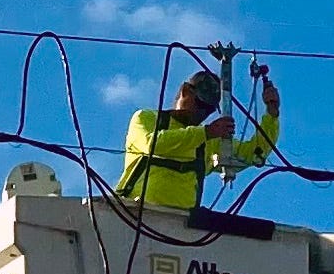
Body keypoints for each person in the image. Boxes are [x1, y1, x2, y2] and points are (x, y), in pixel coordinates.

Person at [117, 59, 280, 211]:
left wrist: (271, 114)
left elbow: (254, 154)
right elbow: (153, 145)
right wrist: (206, 132)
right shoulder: (147, 118)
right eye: (200, 103)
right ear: (185, 91)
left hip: (183, 226)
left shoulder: (208, 142)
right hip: (135, 212)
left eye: (209, 109)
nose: (202, 112)